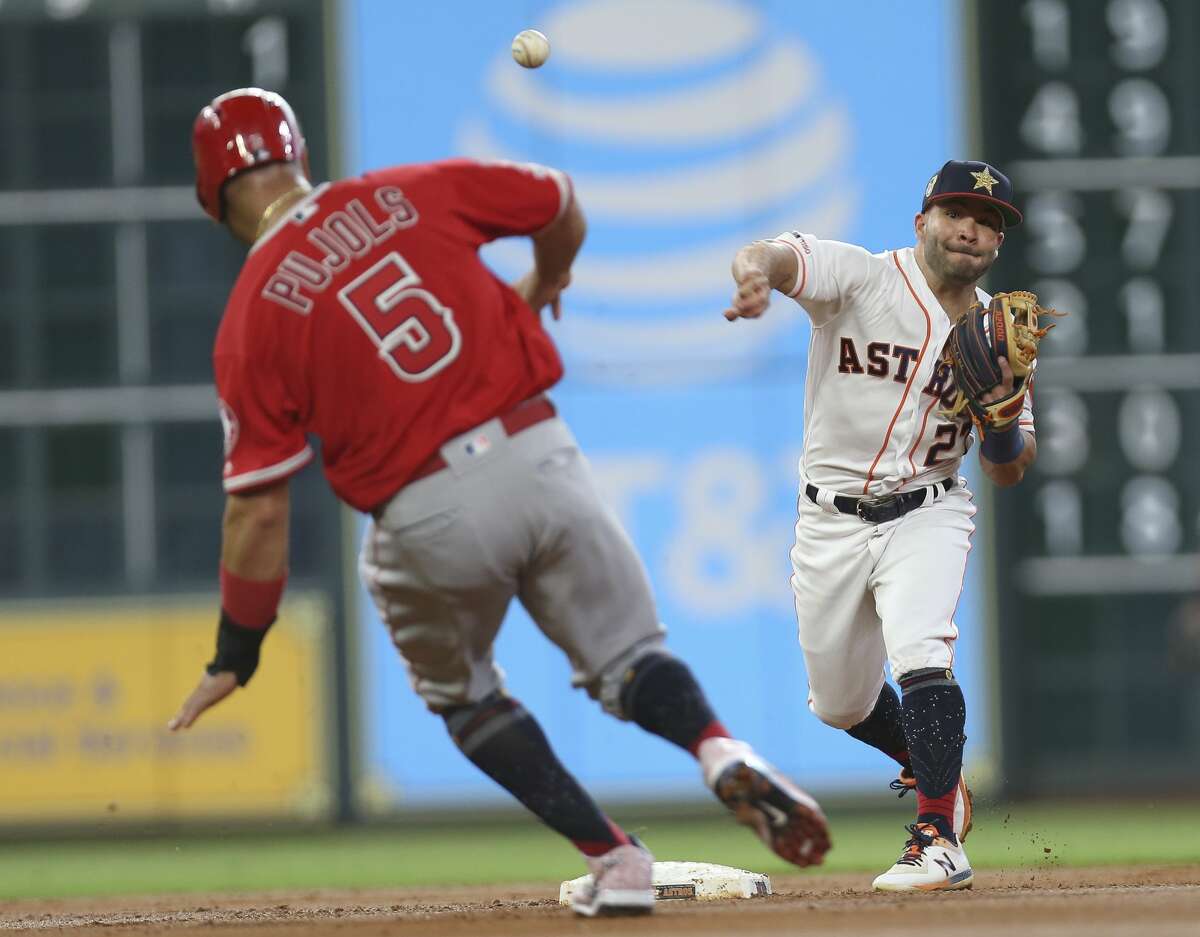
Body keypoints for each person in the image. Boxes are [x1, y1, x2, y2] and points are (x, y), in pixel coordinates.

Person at [167, 87, 830, 917]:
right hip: (539, 452)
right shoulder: (402, 190)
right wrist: (550, 273)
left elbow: (257, 510)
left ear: (212, 194)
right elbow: (557, 200)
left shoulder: (249, 320)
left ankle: (614, 858)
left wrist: (240, 647)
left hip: (424, 511)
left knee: (464, 693)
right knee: (627, 659)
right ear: (297, 155)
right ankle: (717, 746)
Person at [723, 160, 1037, 892]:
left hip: (928, 508)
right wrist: (755, 276)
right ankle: (942, 777)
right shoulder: (861, 278)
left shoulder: (999, 329)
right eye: (959, 211)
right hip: (828, 517)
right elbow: (775, 254)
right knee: (839, 703)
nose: (973, 228)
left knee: (922, 650)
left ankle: (936, 832)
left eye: (989, 222)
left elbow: (1009, 466)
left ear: (999, 242)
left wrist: (996, 426)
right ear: (922, 220)